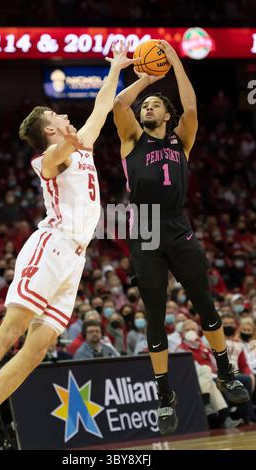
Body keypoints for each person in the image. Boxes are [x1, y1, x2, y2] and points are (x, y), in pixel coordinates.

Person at [0, 41, 137, 449]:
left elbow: (103, 108)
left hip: (74, 260)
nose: (64, 114)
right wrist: (68, 143)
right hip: (50, 247)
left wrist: (115, 71)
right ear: (51, 129)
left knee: (38, 349)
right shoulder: (48, 159)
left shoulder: (81, 142)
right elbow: (59, 153)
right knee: (11, 330)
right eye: (57, 115)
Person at [113, 39, 249, 435]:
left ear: (167, 115)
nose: (147, 108)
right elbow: (120, 106)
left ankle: (225, 373)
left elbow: (190, 106)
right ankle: (163, 397)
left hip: (176, 222)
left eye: (155, 104)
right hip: (147, 225)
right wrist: (142, 81)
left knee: (204, 302)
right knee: (155, 313)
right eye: (146, 107)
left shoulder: (182, 138)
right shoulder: (132, 139)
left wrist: (173, 60)